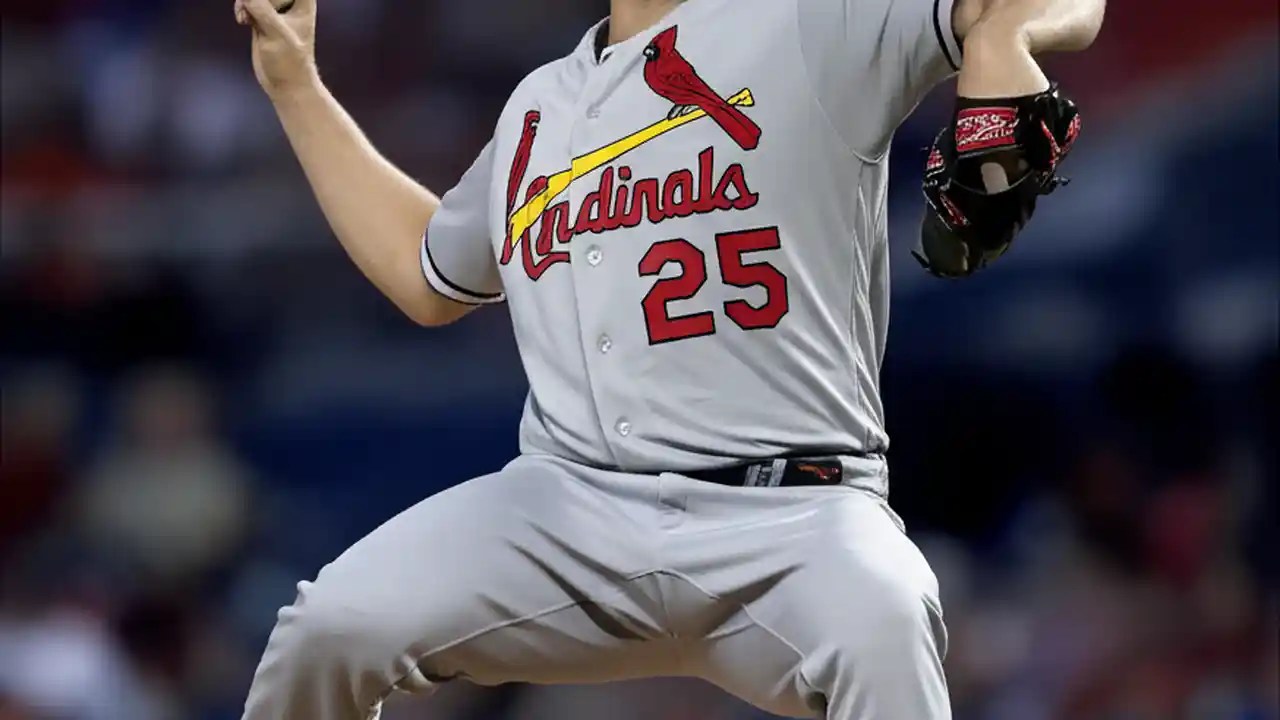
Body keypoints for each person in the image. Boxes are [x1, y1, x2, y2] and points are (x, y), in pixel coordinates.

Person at [233, 0, 1104, 717]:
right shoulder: (542, 104)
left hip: (793, 520)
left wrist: (999, 40)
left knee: (887, 621)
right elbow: (428, 274)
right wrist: (296, 85)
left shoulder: (810, 21)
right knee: (330, 629)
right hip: (569, 513)